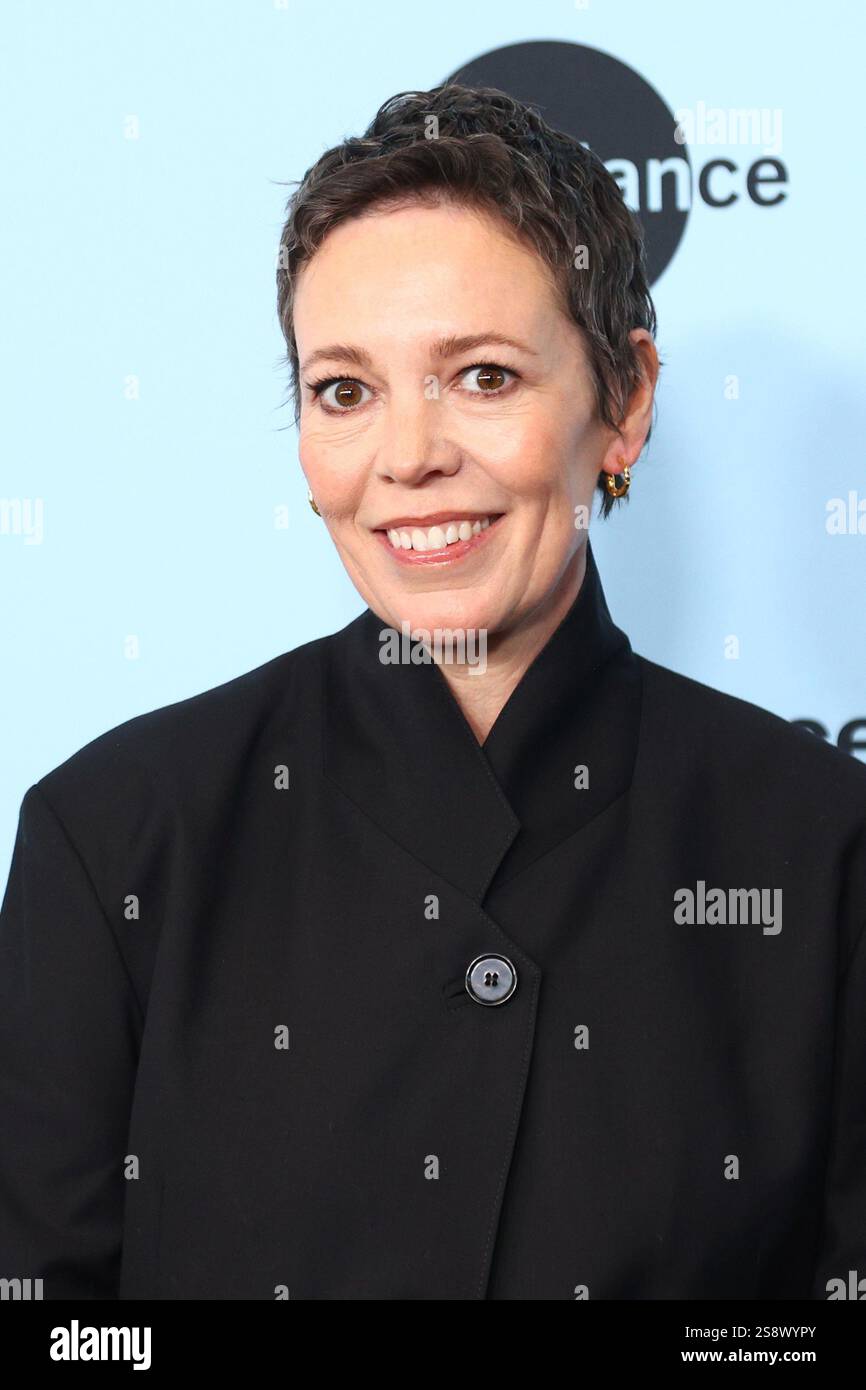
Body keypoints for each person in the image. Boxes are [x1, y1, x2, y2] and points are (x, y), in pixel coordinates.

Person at [1, 82, 864, 1300]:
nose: (407, 457)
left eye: (483, 377)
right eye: (343, 390)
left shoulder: (822, 848)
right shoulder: (117, 836)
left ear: (623, 401)